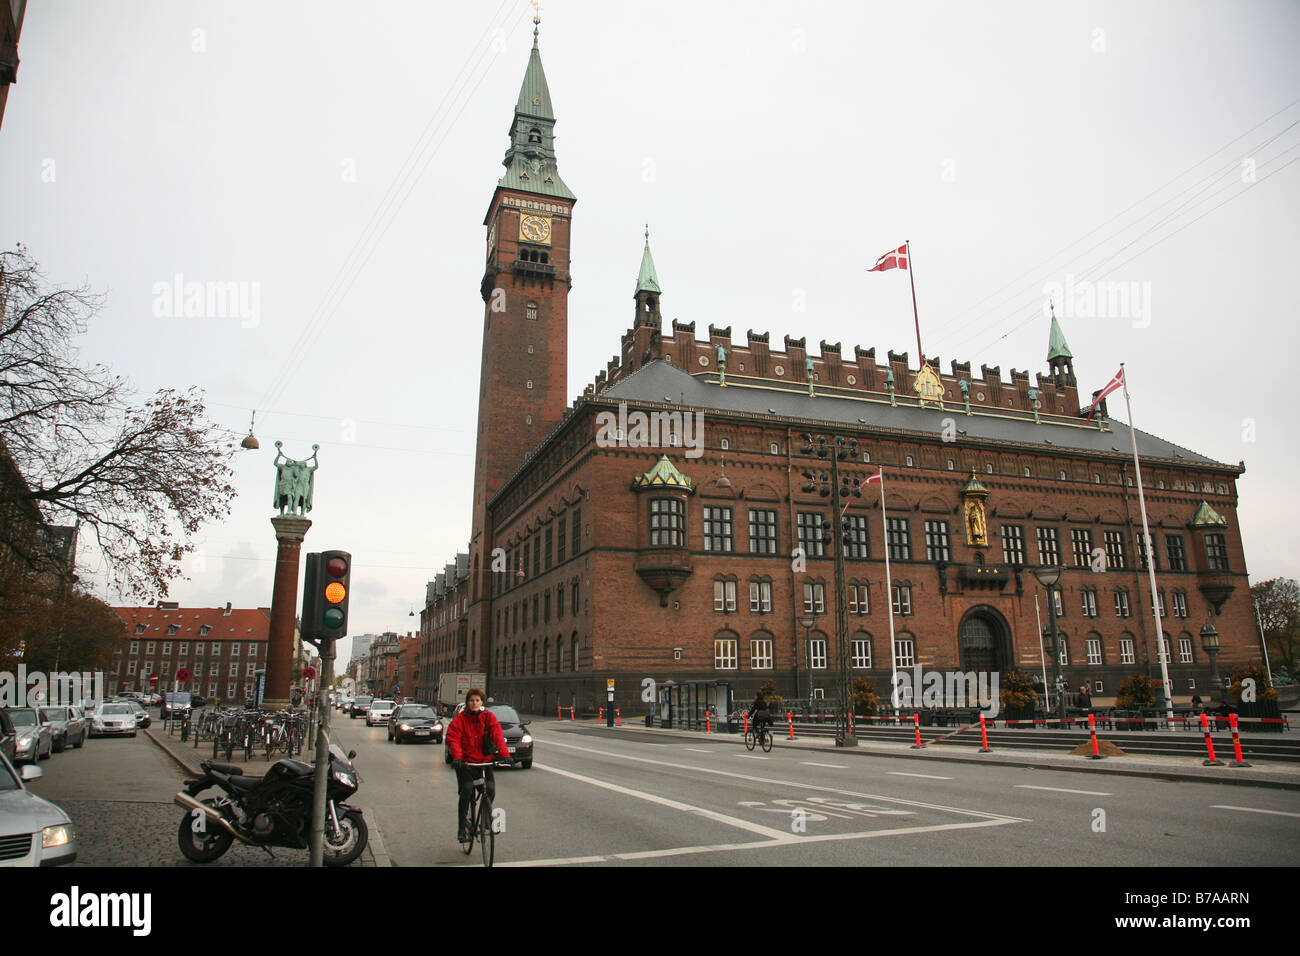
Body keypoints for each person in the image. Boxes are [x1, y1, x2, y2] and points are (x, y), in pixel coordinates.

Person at [444, 688, 511, 842]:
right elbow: (453, 738)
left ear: (482, 702)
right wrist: (458, 757)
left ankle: (485, 818)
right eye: (471, 700)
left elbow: (498, 735)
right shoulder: (460, 719)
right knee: (467, 790)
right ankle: (462, 828)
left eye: (477, 700)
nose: (474, 703)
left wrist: (505, 755)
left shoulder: (488, 717)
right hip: (466, 763)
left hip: (484, 762)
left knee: (490, 790)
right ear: (467, 702)